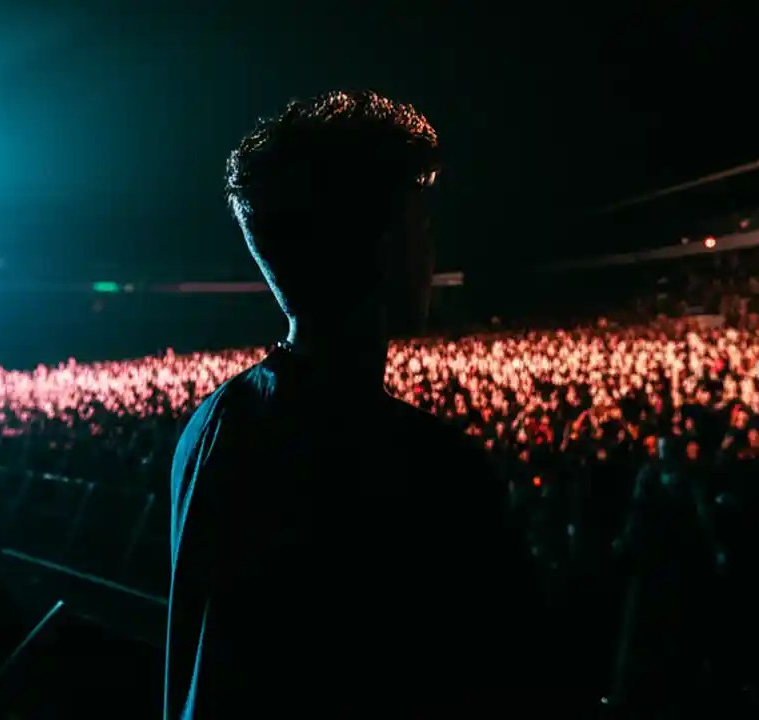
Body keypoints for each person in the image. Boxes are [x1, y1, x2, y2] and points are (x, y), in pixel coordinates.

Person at [165, 91, 544, 718]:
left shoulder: (210, 426)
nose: (431, 249)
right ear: (379, 246)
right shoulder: (428, 466)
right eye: (419, 224)